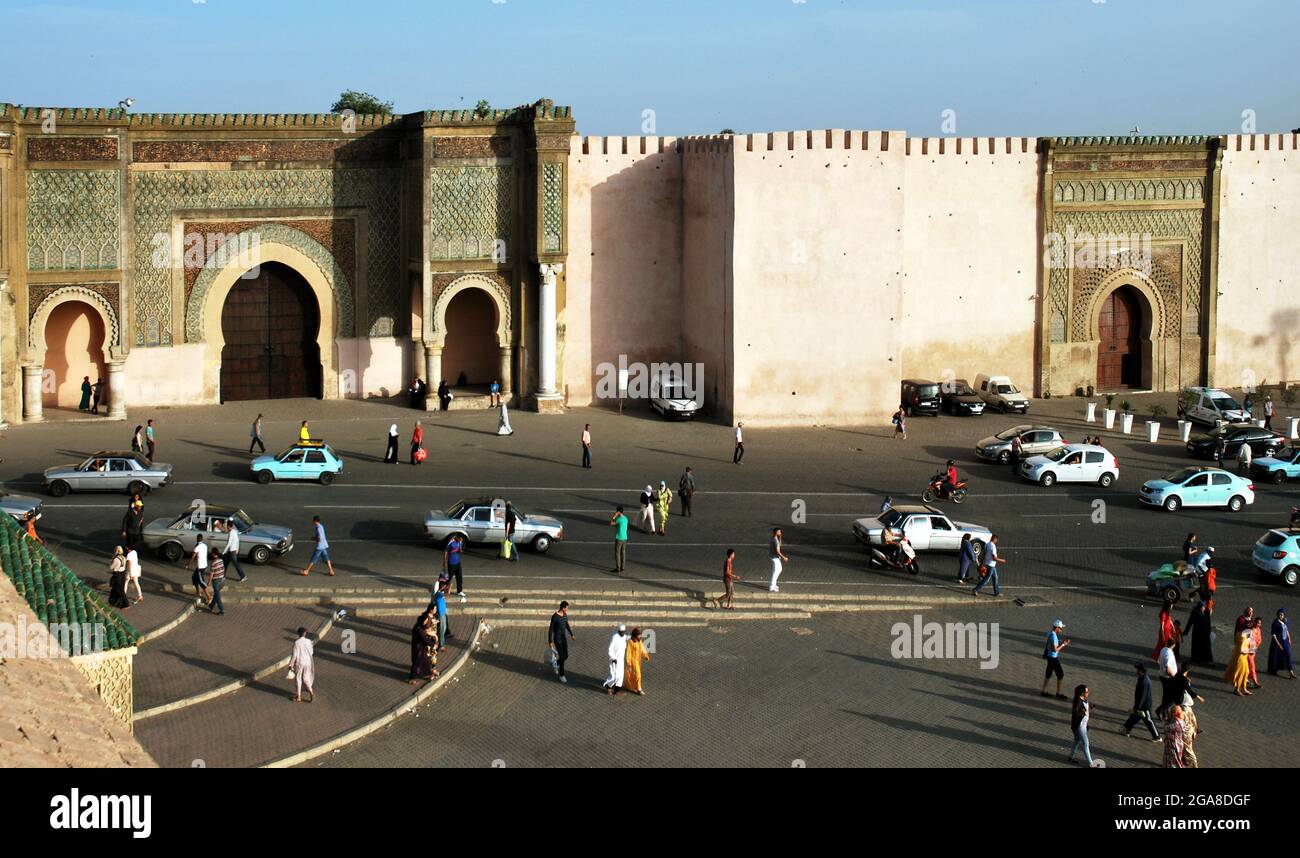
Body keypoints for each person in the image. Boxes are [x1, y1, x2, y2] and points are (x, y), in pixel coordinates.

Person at [1120, 663, 1162, 742]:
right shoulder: (1142, 678)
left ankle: (1157, 736)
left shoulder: (1144, 681)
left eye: (1138, 670)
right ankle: (1126, 729)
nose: (1136, 672)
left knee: (1148, 720)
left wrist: (1137, 707)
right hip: (1141, 704)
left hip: (1144, 706)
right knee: (1134, 717)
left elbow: (1142, 696)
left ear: (1142, 671)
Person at [1067, 685, 1098, 767]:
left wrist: (1090, 707)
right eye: (1087, 692)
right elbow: (1075, 712)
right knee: (1086, 744)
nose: (1088, 693)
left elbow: (1084, 707)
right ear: (1082, 693)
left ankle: (1071, 757)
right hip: (1080, 727)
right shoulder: (1077, 701)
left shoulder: (1083, 699)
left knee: (1077, 741)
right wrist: (1083, 712)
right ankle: (1091, 764)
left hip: (1083, 725)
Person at [408, 609, 439, 684]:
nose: (426, 622)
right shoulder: (419, 629)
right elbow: (424, 639)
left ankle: (427, 674)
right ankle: (412, 678)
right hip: (419, 649)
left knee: (426, 660)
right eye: (425, 621)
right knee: (417, 662)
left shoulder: (420, 627)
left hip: (421, 648)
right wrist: (433, 644)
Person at [1041, 619, 1069, 699]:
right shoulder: (1053, 636)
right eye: (1060, 628)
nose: (1061, 630)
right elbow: (1055, 649)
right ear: (1057, 627)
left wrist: (1060, 642)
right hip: (1053, 658)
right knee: (1060, 674)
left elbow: (1051, 645)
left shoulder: (1050, 633)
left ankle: (1043, 691)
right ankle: (1058, 693)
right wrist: (1063, 644)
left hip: (1049, 657)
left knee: (1048, 673)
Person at [548, 601, 575, 683]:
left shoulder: (564, 614)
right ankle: (561, 675)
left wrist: (571, 634)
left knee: (565, 656)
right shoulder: (555, 616)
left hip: (563, 638)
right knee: (562, 657)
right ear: (563, 608)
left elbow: (566, 624)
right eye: (567, 608)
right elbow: (551, 629)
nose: (567, 609)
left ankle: (555, 663)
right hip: (558, 639)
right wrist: (550, 641)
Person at [1224, 627, 1252, 695]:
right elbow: (1241, 649)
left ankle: (1244, 688)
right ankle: (1237, 689)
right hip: (1241, 657)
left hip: (1243, 657)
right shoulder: (1242, 637)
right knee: (1240, 673)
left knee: (1246, 672)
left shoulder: (1244, 635)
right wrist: (1249, 651)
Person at [1155, 637, 1179, 718]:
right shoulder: (1168, 654)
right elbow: (1168, 669)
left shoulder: (1163, 649)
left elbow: (1158, 659)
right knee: (1173, 697)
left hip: (1162, 676)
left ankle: (1164, 713)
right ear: (1173, 645)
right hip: (1168, 678)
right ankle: (1160, 710)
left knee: (1166, 695)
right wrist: (1175, 677)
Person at [1268, 608, 1295, 678]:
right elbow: (1273, 635)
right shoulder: (1275, 623)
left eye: (1282, 615)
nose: (1281, 616)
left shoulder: (1285, 621)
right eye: (1279, 614)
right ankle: (1274, 670)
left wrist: (1289, 638)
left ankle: (1291, 672)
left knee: (1288, 655)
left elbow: (1286, 629)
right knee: (1276, 656)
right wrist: (1278, 644)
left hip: (1285, 642)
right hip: (1278, 642)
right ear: (1277, 615)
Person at [290, 627, 315, 702]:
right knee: (306, 678)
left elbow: (295, 655)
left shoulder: (297, 643)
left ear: (298, 634)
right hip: (308, 662)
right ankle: (311, 692)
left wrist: (291, 665)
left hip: (300, 662)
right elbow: (311, 652)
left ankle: (299, 696)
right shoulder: (309, 641)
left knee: (298, 679)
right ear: (305, 634)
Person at [624, 628, 651, 696]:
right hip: (632, 661)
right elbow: (628, 653)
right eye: (639, 635)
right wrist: (628, 662)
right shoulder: (630, 642)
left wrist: (645, 655)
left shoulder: (639, 641)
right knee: (638, 674)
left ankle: (629, 686)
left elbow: (642, 648)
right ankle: (639, 689)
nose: (641, 636)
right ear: (635, 636)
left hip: (638, 660)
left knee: (632, 675)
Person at [603, 625, 628, 695]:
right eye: (621, 632)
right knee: (614, 675)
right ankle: (608, 686)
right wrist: (613, 658)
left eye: (624, 632)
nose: (622, 633)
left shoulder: (625, 637)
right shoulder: (615, 637)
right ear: (619, 631)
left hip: (621, 660)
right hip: (614, 660)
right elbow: (610, 649)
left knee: (620, 675)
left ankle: (617, 690)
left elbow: (628, 639)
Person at [187, 533, 210, 607]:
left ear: (197, 539)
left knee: (201, 582)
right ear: (202, 539)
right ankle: (198, 592)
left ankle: (209, 597)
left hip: (201, 567)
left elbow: (193, 556)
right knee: (194, 577)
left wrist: (188, 564)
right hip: (204, 565)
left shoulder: (197, 547)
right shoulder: (205, 546)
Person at [223, 517, 246, 583]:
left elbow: (229, 543)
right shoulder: (234, 532)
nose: (226, 527)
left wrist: (224, 552)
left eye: (226, 526)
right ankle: (223, 576)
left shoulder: (231, 533)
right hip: (232, 551)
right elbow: (237, 541)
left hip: (231, 551)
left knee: (236, 564)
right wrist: (237, 549)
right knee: (226, 563)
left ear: (228, 526)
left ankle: (243, 576)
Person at [1162, 704, 1186, 768]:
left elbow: (1166, 728)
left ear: (1175, 713)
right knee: (1169, 760)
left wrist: (1167, 721)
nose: (1170, 713)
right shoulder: (1178, 720)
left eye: (1172, 712)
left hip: (1174, 745)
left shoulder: (1177, 723)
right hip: (1171, 743)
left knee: (1174, 761)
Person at [205, 547, 226, 616]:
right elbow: (223, 569)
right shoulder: (221, 560)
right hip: (221, 580)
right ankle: (211, 606)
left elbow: (211, 574)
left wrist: (209, 582)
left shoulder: (213, 563)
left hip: (216, 581)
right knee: (216, 594)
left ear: (213, 554)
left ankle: (222, 610)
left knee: (217, 596)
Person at [443, 532, 465, 597]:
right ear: (457, 537)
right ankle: (444, 589)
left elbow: (460, 550)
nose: (461, 541)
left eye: (461, 540)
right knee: (449, 578)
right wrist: (444, 561)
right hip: (451, 563)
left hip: (458, 562)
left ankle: (459, 591)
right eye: (460, 539)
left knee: (459, 577)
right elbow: (446, 551)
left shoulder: (460, 542)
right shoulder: (451, 542)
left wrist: (460, 550)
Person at [768, 527, 789, 593]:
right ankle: (772, 586)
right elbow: (777, 551)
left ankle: (774, 584)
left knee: (776, 570)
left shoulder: (773, 538)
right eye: (779, 532)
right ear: (776, 532)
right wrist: (784, 557)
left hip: (773, 556)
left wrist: (780, 537)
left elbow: (779, 545)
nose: (780, 533)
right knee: (777, 570)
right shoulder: (775, 540)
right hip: (775, 557)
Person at [610, 506, 628, 574]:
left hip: (619, 538)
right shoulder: (626, 518)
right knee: (623, 553)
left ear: (619, 512)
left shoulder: (619, 519)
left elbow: (611, 523)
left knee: (617, 553)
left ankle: (618, 568)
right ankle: (622, 567)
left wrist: (614, 517)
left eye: (616, 511)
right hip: (625, 537)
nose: (616, 512)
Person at [1248, 617, 1264, 689]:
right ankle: (1255, 682)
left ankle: (1244, 678)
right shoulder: (1251, 631)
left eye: (1259, 623)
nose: (1258, 624)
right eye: (1257, 622)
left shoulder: (1258, 630)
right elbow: (1249, 641)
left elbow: (1259, 640)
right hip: (1249, 652)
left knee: (1247, 667)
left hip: (1254, 651)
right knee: (1252, 667)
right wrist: (1252, 650)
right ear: (1254, 622)